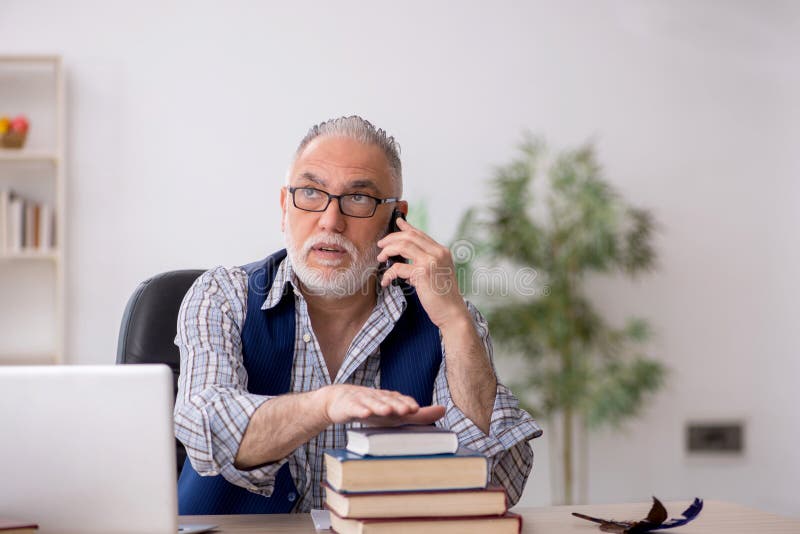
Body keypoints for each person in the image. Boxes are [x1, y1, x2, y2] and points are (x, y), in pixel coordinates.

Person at [173, 116, 542, 514]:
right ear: (285, 207)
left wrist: (454, 321)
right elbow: (206, 428)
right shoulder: (222, 295)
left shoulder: (448, 321)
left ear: (395, 218)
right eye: (311, 193)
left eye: (359, 199)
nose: (331, 221)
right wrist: (324, 405)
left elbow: (495, 481)